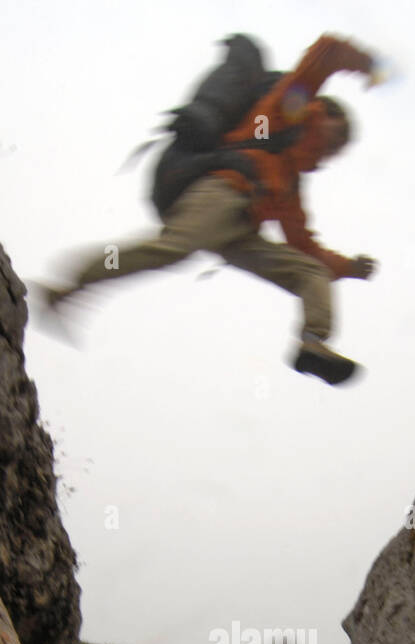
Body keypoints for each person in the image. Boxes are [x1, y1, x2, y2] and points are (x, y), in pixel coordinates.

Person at [37, 35, 382, 385]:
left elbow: (304, 245)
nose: (335, 150)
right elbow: (320, 60)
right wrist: (366, 63)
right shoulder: (286, 114)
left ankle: (312, 345)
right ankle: (71, 281)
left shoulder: (290, 185)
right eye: (337, 138)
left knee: (311, 272)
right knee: (170, 249)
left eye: (341, 149)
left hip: (239, 231)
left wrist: (348, 267)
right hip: (221, 191)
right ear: (324, 113)